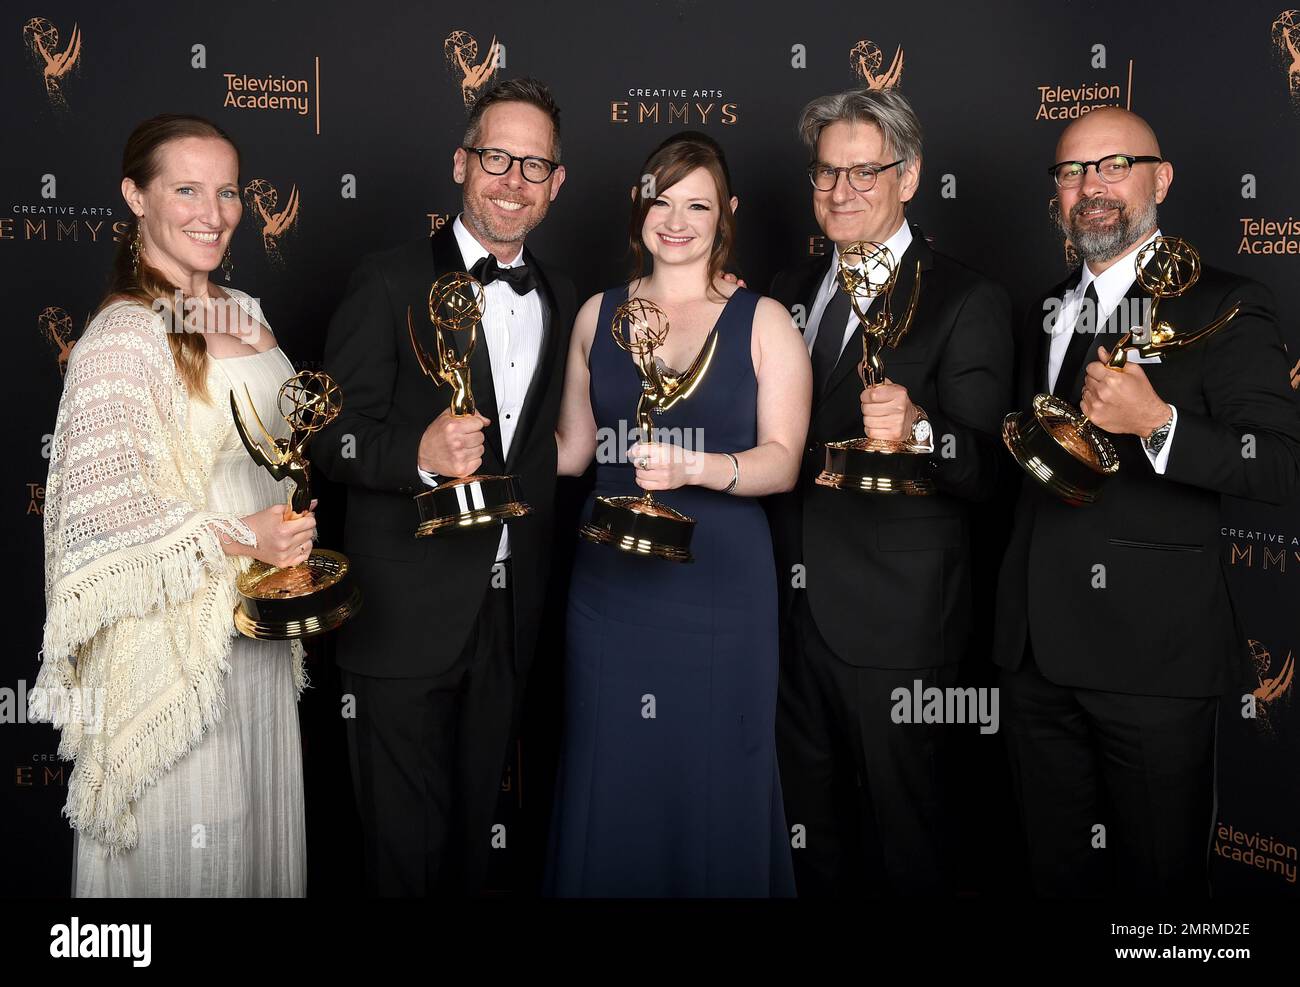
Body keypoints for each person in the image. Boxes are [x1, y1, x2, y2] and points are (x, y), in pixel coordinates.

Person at [993, 107, 1300, 895]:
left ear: (1160, 179)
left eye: (1113, 165)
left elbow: (1281, 464)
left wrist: (1158, 424)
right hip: (1034, 658)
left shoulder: (1228, 303)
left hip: (1153, 663)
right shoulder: (1047, 307)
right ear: (1056, 196)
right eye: (1072, 171)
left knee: (1157, 894)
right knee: (1052, 872)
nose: (1091, 187)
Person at [31, 113, 312, 896]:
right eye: (186, 189)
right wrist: (240, 532)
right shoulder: (123, 337)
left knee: (252, 843)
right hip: (180, 654)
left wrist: (281, 524)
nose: (212, 212)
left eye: (226, 191)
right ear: (135, 197)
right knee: (193, 856)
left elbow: (273, 446)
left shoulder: (242, 309)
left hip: (256, 640)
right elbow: (100, 514)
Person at [313, 78, 577, 896]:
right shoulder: (388, 281)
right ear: (462, 163)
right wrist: (418, 453)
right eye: (497, 157)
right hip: (402, 618)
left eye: (535, 165)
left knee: (477, 851)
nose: (513, 180)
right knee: (401, 853)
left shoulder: (558, 298)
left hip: (509, 615)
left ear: (557, 184)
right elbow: (327, 435)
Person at [547, 131, 810, 897]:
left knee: (714, 771)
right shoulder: (599, 315)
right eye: (661, 199)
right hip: (610, 585)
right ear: (640, 206)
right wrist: (467, 441)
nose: (677, 219)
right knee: (611, 768)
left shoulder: (764, 321)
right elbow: (571, 449)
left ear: (725, 213)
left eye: (697, 203)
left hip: (721, 586)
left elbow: (783, 459)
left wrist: (699, 467)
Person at [766, 87, 1013, 895]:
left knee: (911, 847)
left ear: (909, 178)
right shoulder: (785, 293)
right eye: (827, 174)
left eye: (863, 173)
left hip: (900, 630)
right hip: (786, 618)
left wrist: (920, 429)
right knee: (811, 841)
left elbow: (988, 469)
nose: (841, 192)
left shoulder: (965, 298)